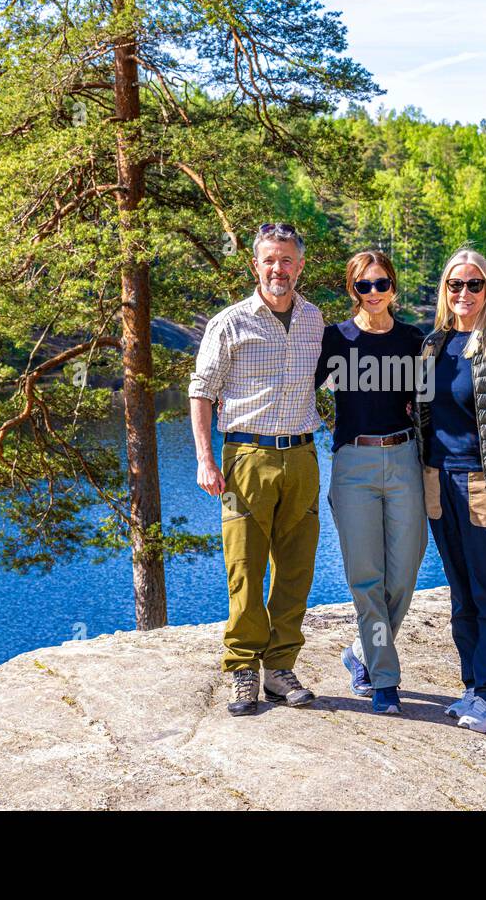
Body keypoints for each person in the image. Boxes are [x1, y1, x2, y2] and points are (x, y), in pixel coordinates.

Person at [188, 222, 325, 717]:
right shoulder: (229, 323)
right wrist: (205, 459)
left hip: (304, 458)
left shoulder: (314, 319)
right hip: (243, 458)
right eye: (269, 260)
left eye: (287, 260)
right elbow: (201, 391)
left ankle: (280, 667)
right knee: (244, 566)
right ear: (255, 265)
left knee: (296, 568)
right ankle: (243, 668)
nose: (278, 269)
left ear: (300, 265)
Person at [415, 248, 486, 734]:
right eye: (455, 285)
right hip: (437, 482)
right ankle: (471, 684)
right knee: (460, 593)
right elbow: (420, 414)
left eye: (474, 284)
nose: (464, 293)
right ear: (446, 291)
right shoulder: (432, 346)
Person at [316, 250, 428, 716]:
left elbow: (429, 404)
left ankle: (361, 652)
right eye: (364, 285)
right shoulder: (334, 339)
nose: (374, 293)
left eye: (381, 284)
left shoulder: (412, 339)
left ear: (393, 288)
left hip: (404, 459)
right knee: (367, 579)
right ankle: (384, 678)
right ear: (352, 290)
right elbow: (299, 388)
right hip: (354, 466)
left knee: (403, 573)